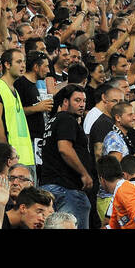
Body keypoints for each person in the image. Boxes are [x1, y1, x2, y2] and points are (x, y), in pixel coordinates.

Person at [39, 84, 92, 228]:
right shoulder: (66, 119)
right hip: (66, 189)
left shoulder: (53, 121)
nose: (82, 105)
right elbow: (65, 149)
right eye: (77, 100)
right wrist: (84, 174)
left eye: (84, 101)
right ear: (65, 102)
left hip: (50, 187)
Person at [0, 48, 36, 183]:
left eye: (24, 62)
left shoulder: (15, 90)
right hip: (10, 158)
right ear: (7, 65)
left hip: (24, 156)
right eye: (18, 62)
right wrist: (6, 150)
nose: (23, 65)